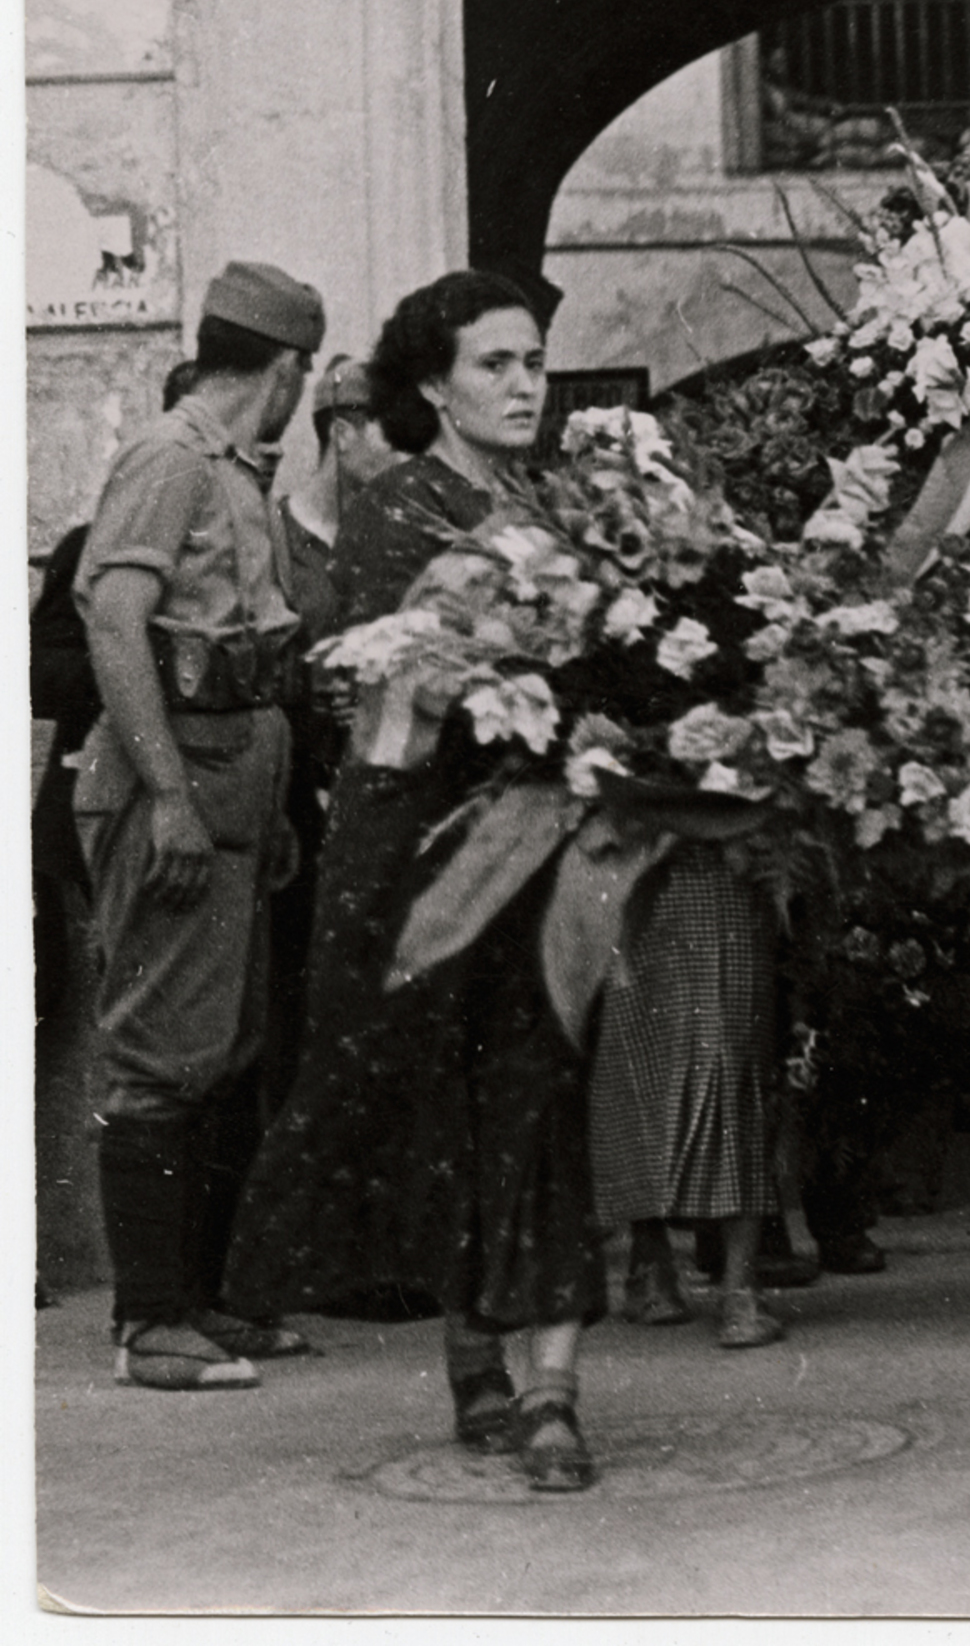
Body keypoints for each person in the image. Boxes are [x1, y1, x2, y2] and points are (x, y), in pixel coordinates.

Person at [225, 271, 609, 1491]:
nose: (525, 383)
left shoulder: (577, 505)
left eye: (535, 360)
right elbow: (406, 691)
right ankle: (474, 1353)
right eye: (496, 364)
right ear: (434, 384)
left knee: (545, 1094)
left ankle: (551, 1388)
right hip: (446, 860)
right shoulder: (403, 513)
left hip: (560, 850)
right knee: (461, 1109)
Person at [74, 263, 325, 1389]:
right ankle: (151, 1321)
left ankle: (207, 1302)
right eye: (302, 375)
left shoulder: (234, 473)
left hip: (231, 799)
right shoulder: (169, 461)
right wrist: (171, 794)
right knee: (159, 1055)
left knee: (221, 1053)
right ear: (282, 371)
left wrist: (259, 809)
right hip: (174, 797)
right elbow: (116, 625)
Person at [261, 358, 392, 1118]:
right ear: (344, 434)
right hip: (298, 817)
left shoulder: (390, 537)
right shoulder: (275, 541)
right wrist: (311, 693)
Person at [594, 843, 789, 1348]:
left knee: (725, 1059)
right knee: (639, 1058)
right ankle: (659, 1267)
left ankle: (733, 1285)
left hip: (709, 868)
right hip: (638, 869)